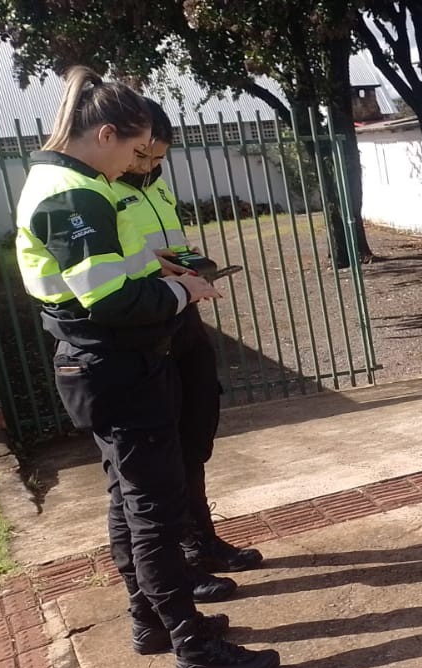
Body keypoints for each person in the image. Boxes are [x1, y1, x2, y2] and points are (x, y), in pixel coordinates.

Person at [15, 67, 279, 668]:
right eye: (136, 151)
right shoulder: (70, 193)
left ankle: (151, 620)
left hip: (113, 364)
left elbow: (106, 275)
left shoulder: (73, 183)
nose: (140, 165)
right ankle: (193, 650)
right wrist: (180, 290)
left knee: (130, 501)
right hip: (116, 364)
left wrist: (154, 267)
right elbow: (111, 302)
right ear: (104, 133)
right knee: (153, 513)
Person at [113, 99, 266, 583]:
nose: (148, 167)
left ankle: (202, 540)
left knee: (195, 437)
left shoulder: (154, 188)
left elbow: (166, 245)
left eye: (158, 158)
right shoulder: (103, 191)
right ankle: (178, 560)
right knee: (162, 453)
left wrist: (189, 262)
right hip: (146, 331)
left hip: (184, 319)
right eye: (142, 156)